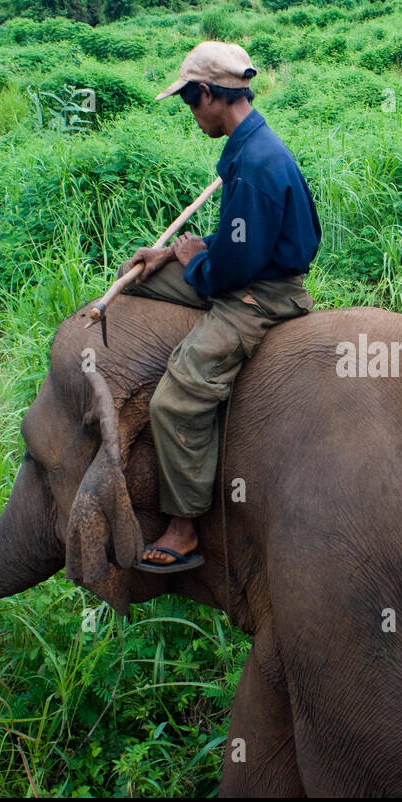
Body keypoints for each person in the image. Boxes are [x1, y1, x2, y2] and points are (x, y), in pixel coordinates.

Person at [121, 41, 321, 573]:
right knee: (139, 276)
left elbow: (236, 267)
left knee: (174, 402)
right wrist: (177, 254)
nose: (192, 115)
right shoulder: (248, 144)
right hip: (241, 268)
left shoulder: (256, 162)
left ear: (209, 94)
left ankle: (185, 528)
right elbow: (237, 236)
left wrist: (198, 265)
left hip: (260, 294)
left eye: (190, 102)